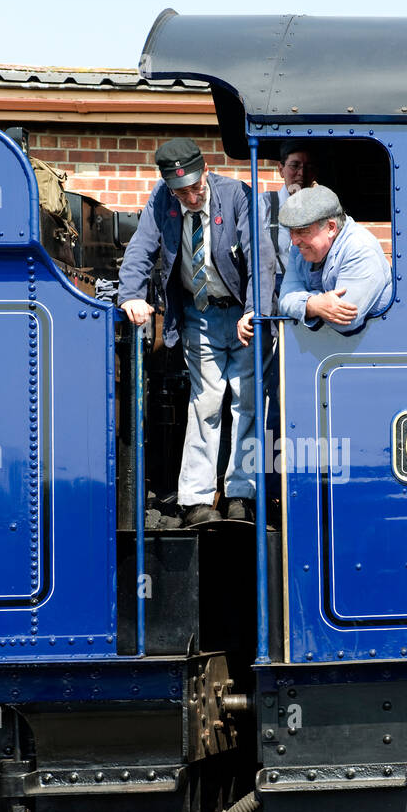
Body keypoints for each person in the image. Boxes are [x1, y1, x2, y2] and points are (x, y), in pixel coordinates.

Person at [119, 137, 274, 526]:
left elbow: (262, 259)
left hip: (240, 314)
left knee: (247, 403)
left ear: (205, 170)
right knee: (204, 403)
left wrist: (256, 311)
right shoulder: (163, 199)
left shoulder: (238, 194)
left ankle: (242, 494)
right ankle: (197, 500)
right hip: (197, 314)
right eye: (180, 191)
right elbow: (141, 248)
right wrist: (132, 296)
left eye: (194, 187)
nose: (189, 197)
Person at [275, 185, 391, 333]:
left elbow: (345, 320)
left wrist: (302, 302)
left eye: (303, 231)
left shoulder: (360, 248)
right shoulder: (298, 250)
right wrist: (314, 304)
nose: (295, 240)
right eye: (291, 232)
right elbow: (285, 300)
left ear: (331, 228)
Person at [259, 143, 319, 294]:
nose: (301, 173)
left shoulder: (321, 209)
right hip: (271, 291)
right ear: (280, 169)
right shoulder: (263, 205)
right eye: (295, 165)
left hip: (309, 288)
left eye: (308, 167)